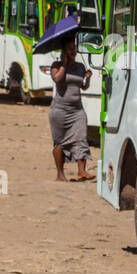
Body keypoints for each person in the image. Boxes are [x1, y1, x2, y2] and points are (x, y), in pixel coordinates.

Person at [48, 33, 94, 181]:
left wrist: (87, 79)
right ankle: (60, 174)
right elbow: (57, 79)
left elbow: (83, 87)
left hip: (77, 110)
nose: (73, 52)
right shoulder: (56, 66)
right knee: (60, 142)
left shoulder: (80, 66)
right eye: (69, 49)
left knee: (81, 138)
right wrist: (64, 65)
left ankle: (82, 171)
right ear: (63, 51)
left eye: (74, 49)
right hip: (59, 111)